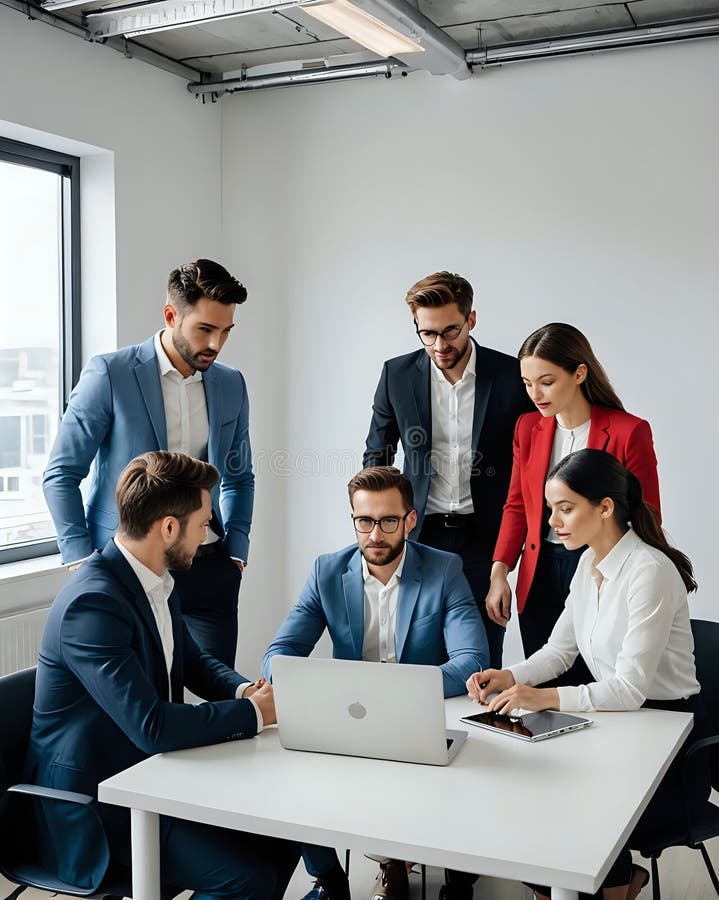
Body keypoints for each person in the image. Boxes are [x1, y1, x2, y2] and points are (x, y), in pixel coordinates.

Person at [24, 451, 299, 899]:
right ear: (169, 528)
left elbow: (190, 661)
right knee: (245, 877)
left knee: (286, 833)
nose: (207, 536)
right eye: (202, 524)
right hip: (97, 805)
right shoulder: (91, 605)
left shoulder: (156, 578)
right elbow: (152, 726)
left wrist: (243, 687)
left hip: (151, 778)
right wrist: (252, 713)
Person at [469, 448, 707, 900]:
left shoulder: (649, 571)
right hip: (616, 724)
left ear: (604, 507)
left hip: (669, 742)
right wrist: (509, 674)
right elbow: (561, 649)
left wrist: (543, 698)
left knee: (569, 798)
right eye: (550, 509)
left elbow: (632, 690)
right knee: (524, 791)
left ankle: (612, 886)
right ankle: (583, 888)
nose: (553, 521)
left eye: (565, 509)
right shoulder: (588, 563)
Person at [262, 466, 489, 900]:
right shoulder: (327, 571)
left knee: (464, 773)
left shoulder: (444, 570)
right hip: (350, 718)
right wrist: (320, 686)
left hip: (418, 720)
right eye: (364, 521)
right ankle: (328, 881)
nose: (375, 534)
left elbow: (472, 660)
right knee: (294, 770)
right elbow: (278, 654)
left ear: (410, 520)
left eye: (388, 521)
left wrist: (394, 688)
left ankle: (458, 881)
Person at [43, 259, 253, 666]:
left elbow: (240, 477)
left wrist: (237, 550)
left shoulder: (231, 383)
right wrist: (83, 561)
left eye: (226, 331)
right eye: (205, 330)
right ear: (171, 316)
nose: (216, 344)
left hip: (209, 566)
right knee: (147, 703)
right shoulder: (110, 373)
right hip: (130, 568)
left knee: (221, 693)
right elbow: (61, 474)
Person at [363, 271, 532, 670]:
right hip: (419, 534)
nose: (439, 345)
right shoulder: (396, 374)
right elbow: (377, 455)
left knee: (483, 658)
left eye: (450, 331)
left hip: (487, 540)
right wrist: (377, 524)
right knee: (415, 654)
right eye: (427, 334)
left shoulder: (510, 376)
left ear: (471, 320)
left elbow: (532, 462)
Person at [486, 323, 662, 666]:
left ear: (579, 373)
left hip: (603, 570)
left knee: (598, 686)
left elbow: (648, 514)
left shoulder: (629, 432)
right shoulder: (527, 428)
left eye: (547, 382)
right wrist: (499, 572)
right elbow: (517, 505)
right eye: (527, 383)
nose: (535, 393)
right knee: (544, 683)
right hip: (540, 573)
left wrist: (617, 574)